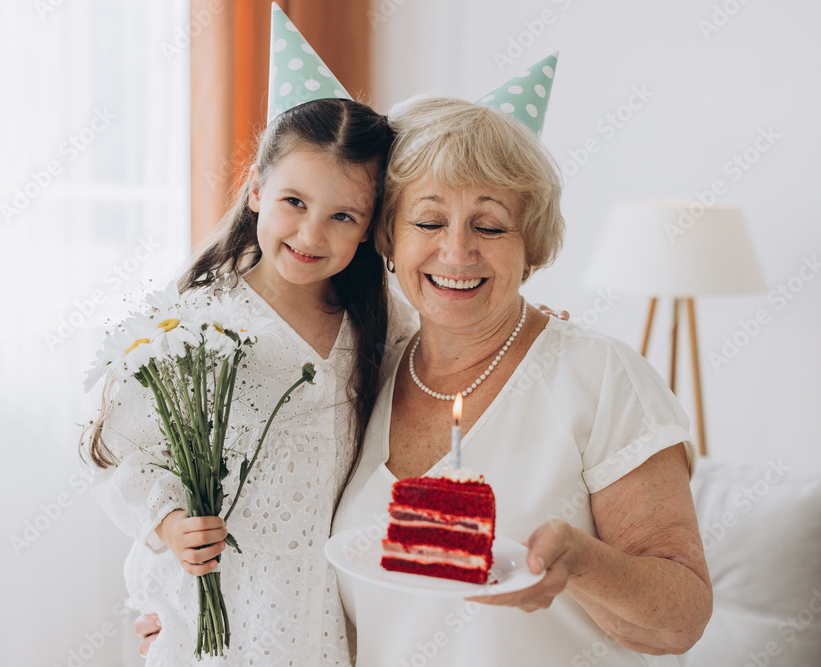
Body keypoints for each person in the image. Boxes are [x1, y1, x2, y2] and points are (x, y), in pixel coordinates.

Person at [329, 95, 712, 665]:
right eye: (429, 221)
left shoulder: (600, 375)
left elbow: (680, 621)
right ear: (387, 236)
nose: (457, 251)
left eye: (489, 225)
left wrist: (580, 564)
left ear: (530, 247)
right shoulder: (364, 374)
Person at [85, 92, 408, 665]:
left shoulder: (377, 319)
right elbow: (122, 449)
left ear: (369, 228)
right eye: (294, 201)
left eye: (342, 216)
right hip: (219, 597)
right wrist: (169, 522)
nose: (311, 235)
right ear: (257, 190)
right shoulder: (198, 321)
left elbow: (445, 357)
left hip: (314, 604)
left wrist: (525, 322)